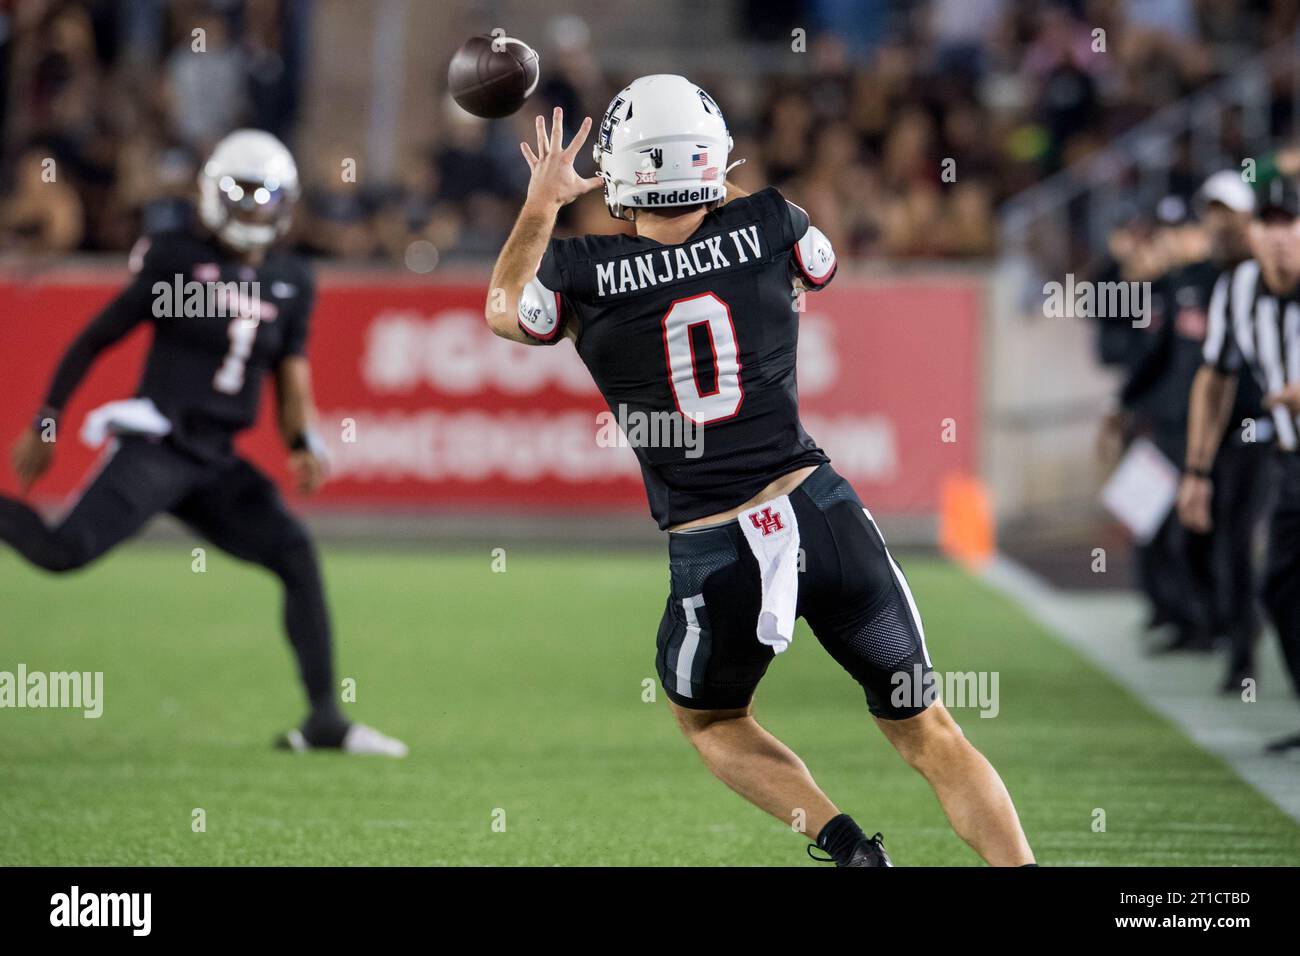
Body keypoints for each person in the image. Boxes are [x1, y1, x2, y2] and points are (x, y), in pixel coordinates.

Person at [483, 77, 1035, 866]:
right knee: (930, 731)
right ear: (714, 160)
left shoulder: (580, 271)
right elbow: (815, 261)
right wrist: (713, 181)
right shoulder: (773, 218)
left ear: (619, 172)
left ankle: (850, 849)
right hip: (823, 513)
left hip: (719, 553)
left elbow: (504, 306)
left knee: (711, 721)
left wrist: (543, 201)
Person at [2, 129, 406, 758]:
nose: (254, 209)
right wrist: (47, 420)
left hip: (217, 460)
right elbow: (95, 338)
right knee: (61, 552)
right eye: (242, 194)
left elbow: (290, 369)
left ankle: (325, 719)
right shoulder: (177, 259)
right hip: (159, 444)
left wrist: (303, 439)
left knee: (296, 555)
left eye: (267, 197)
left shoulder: (292, 278)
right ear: (214, 195)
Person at [1179, 176, 1300, 753]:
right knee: (1279, 587)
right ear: (1253, 233)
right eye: (1269, 225)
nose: (1279, 237)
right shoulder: (1238, 288)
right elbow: (1215, 375)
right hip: (1289, 458)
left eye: (1291, 224)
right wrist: (1197, 472)